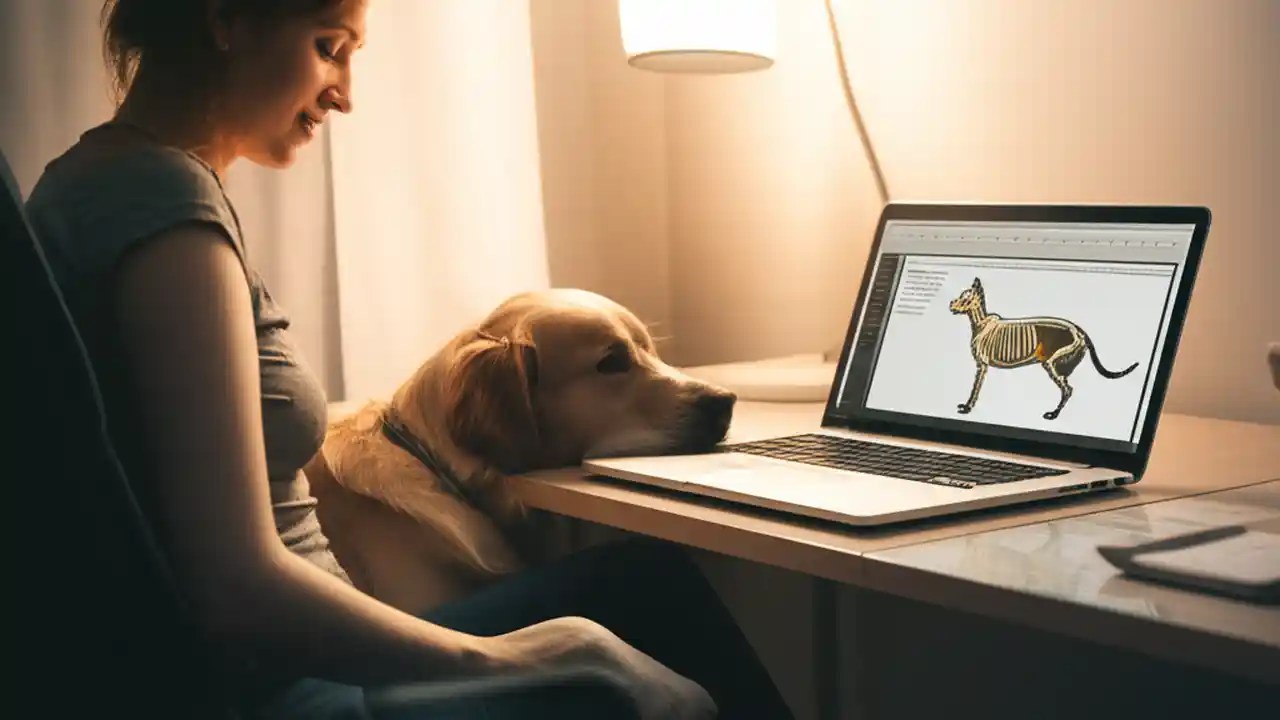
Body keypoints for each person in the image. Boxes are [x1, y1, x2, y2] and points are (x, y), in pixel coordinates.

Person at [23, 1, 797, 718]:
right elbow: (236, 586)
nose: (343, 93)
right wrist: (528, 655)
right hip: (298, 690)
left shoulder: (77, 184)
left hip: (270, 666)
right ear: (227, 18)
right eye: (330, 49)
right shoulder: (167, 211)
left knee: (639, 582)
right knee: (635, 615)